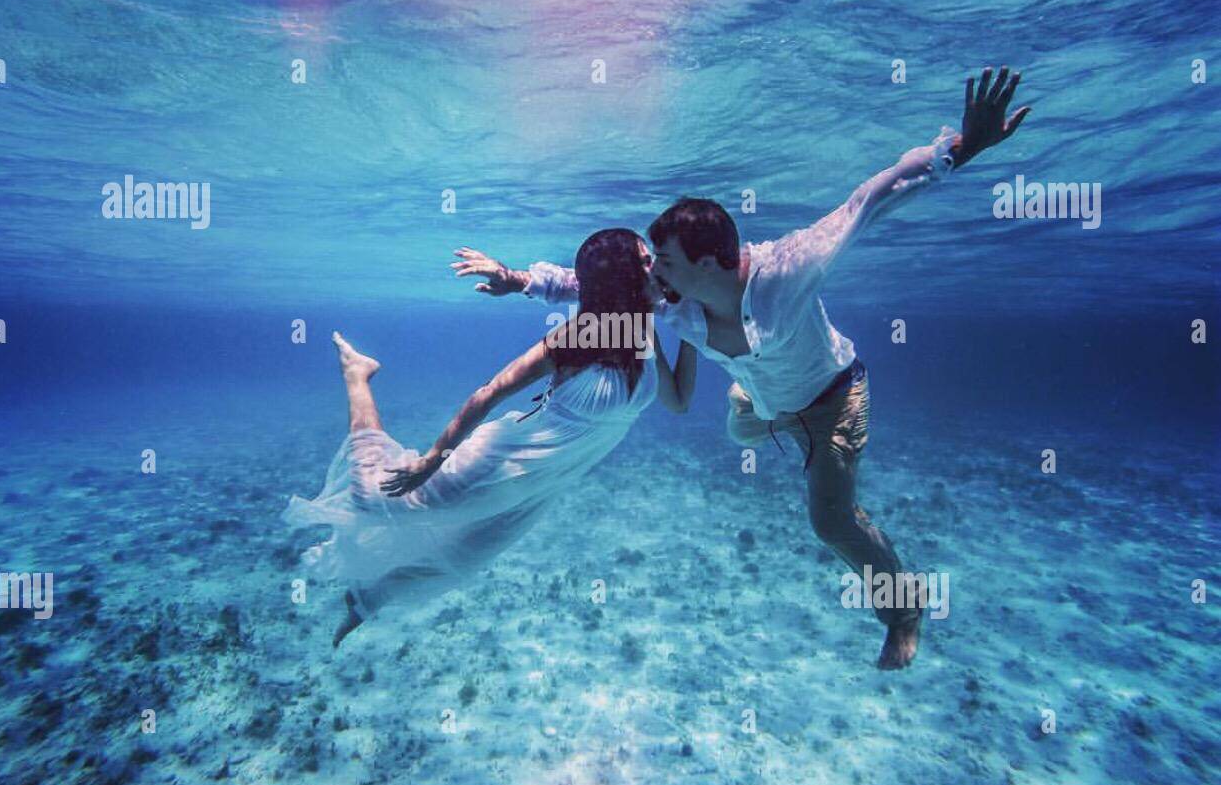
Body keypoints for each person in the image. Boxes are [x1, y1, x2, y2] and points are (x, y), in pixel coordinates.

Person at [450, 67, 1031, 669]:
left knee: (830, 522)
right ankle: (773, 423)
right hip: (758, 402)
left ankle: (904, 608)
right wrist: (518, 279)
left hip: (832, 399)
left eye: (664, 263)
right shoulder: (671, 296)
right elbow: (593, 285)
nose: (651, 277)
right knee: (740, 421)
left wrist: (963, 148)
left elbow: (871, 197)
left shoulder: (788, 269)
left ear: (710, 263)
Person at [283, 228, 697, 646]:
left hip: (551, 478)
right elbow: (490, 392)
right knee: (372, 497)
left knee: (466, 556)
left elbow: (678, 399)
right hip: (506, 460)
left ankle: (365, 600)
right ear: (622, 277)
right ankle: (358, 376)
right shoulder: (588, 335)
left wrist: (697, 334)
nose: (657, 267)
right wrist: (432, 460)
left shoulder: (642, 328)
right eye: (645, 261)